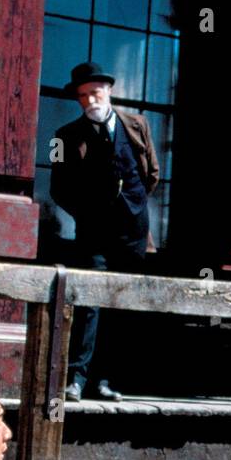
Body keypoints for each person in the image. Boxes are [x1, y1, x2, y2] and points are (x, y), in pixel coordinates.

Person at [50, 61, 161, 402]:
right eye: (82, 96)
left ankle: (107, 381)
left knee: (121, 305)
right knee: (89, 304)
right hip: (93, 234)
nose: (89, 101)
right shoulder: (64, 137)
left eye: (95, 92)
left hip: (133, 235)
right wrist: (89, 214)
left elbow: (152, 173)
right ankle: (77, 379)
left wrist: (134, 211)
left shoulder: (138, 125)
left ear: (109, 91)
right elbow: (58, 189)